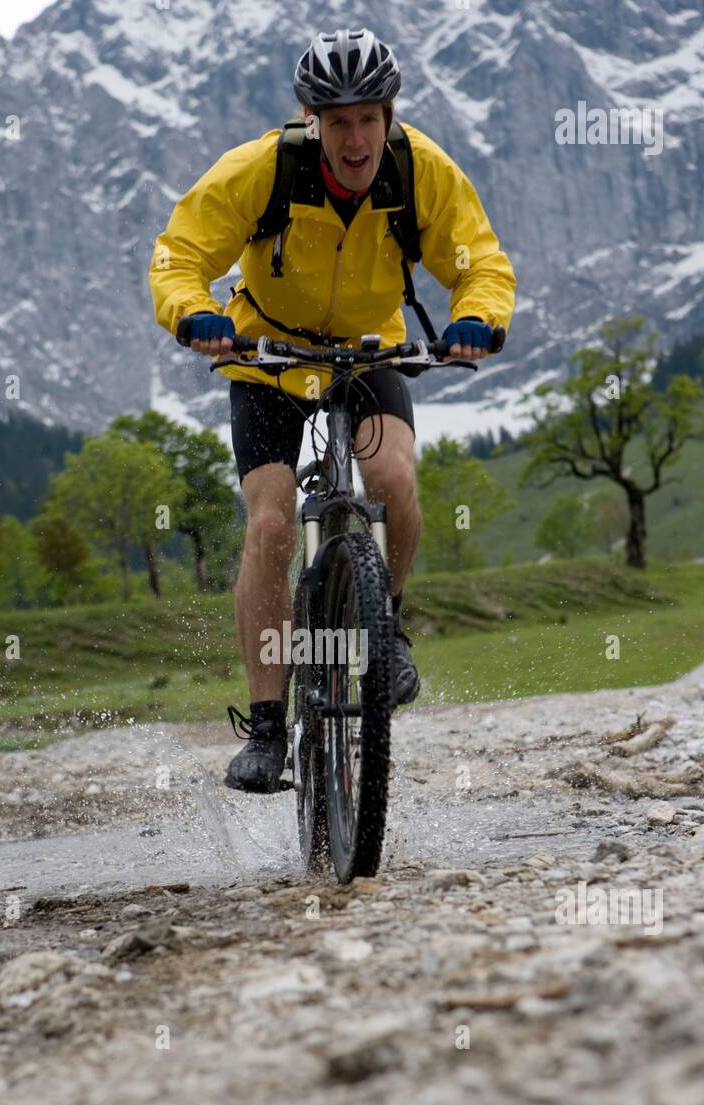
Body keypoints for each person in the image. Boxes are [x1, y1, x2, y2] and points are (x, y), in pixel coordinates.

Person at [150, 27, 516, 792]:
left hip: (368, 351)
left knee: (393, 479)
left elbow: (478, 259)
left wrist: (479, 316)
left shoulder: (420, 172)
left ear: (389, 116)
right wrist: (195, 315)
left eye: (368, 119)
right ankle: (266, 726)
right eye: (337, 121)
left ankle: (388, 632)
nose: (355, 139)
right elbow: (180, 252)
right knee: (273, 521)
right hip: (268, 361)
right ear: (311, 120)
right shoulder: (262, 170)